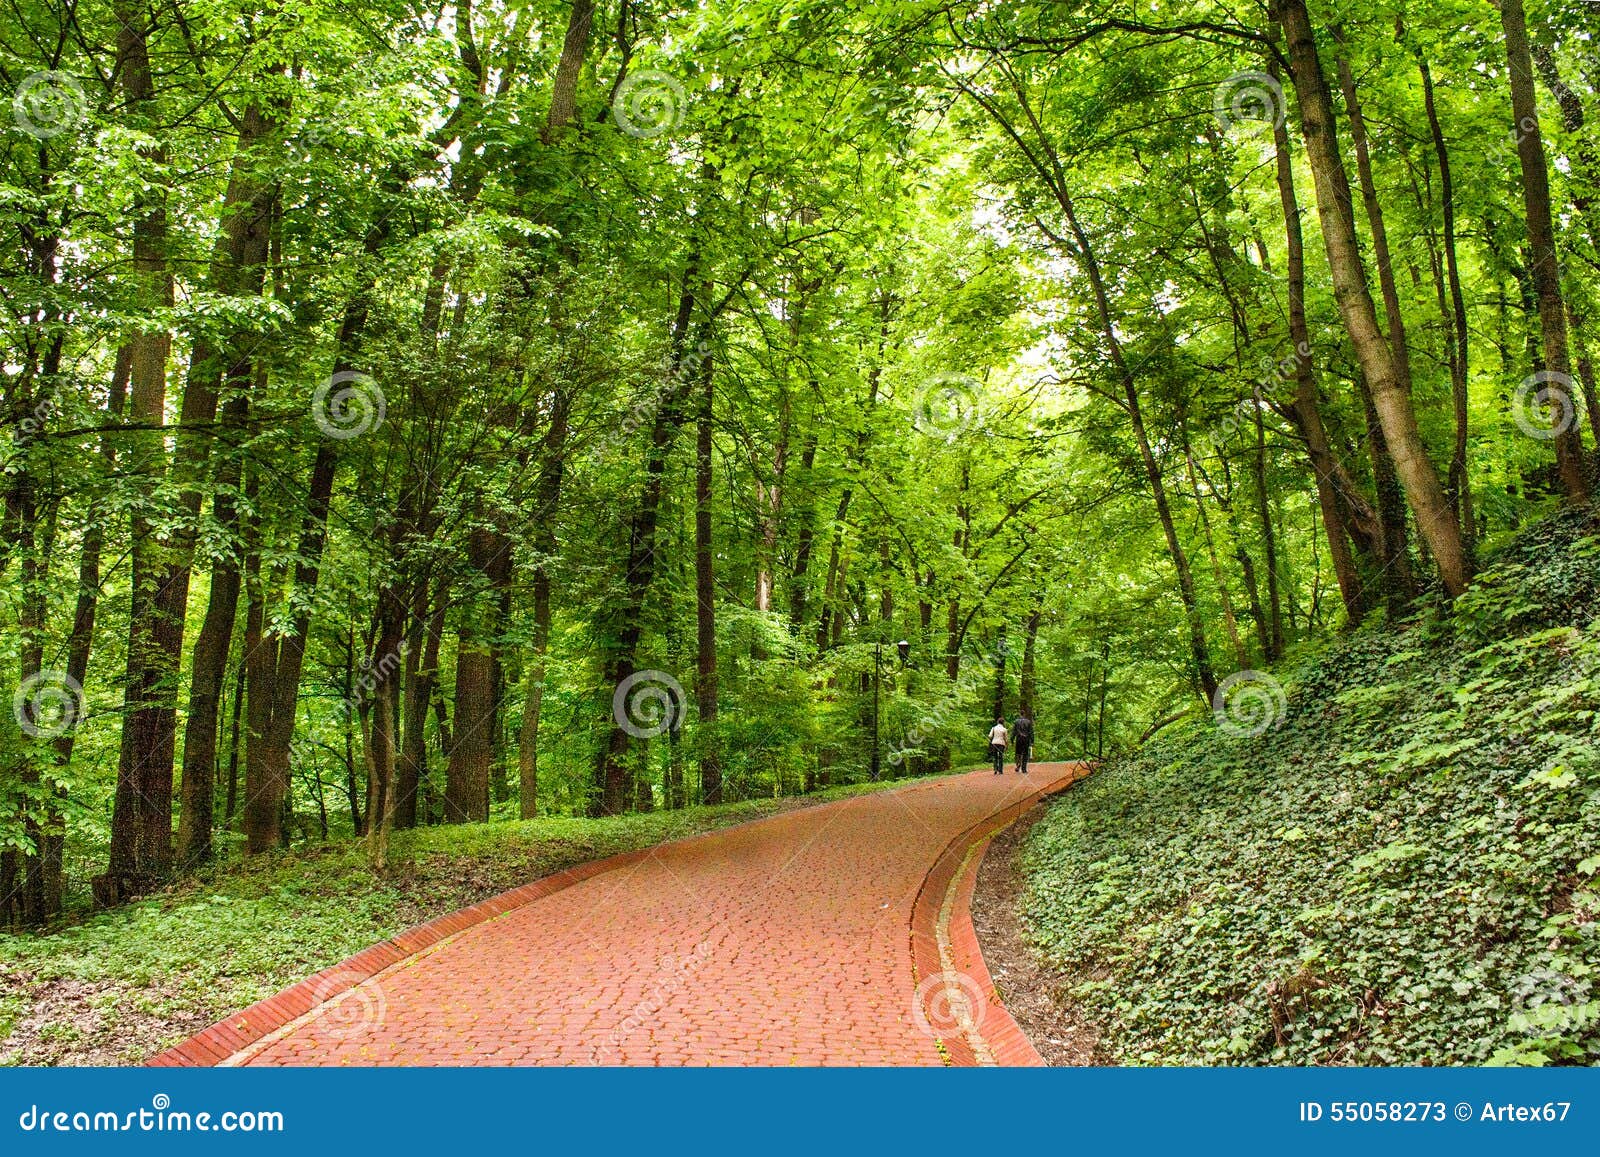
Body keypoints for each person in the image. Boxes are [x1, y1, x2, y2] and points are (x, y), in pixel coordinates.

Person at [1012, 710, 1034, 776]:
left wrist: (1012, 739)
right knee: (1025, 754)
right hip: (1026, 740)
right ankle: (1024, 769)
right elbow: (1031, 732)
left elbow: (1014, 731)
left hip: (1019, 739)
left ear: (1020, 714)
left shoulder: (1016, 722)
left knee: (1018, 753)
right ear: (1024, 714)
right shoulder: (1028, 722)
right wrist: (1032, 740)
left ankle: (1018, 764)